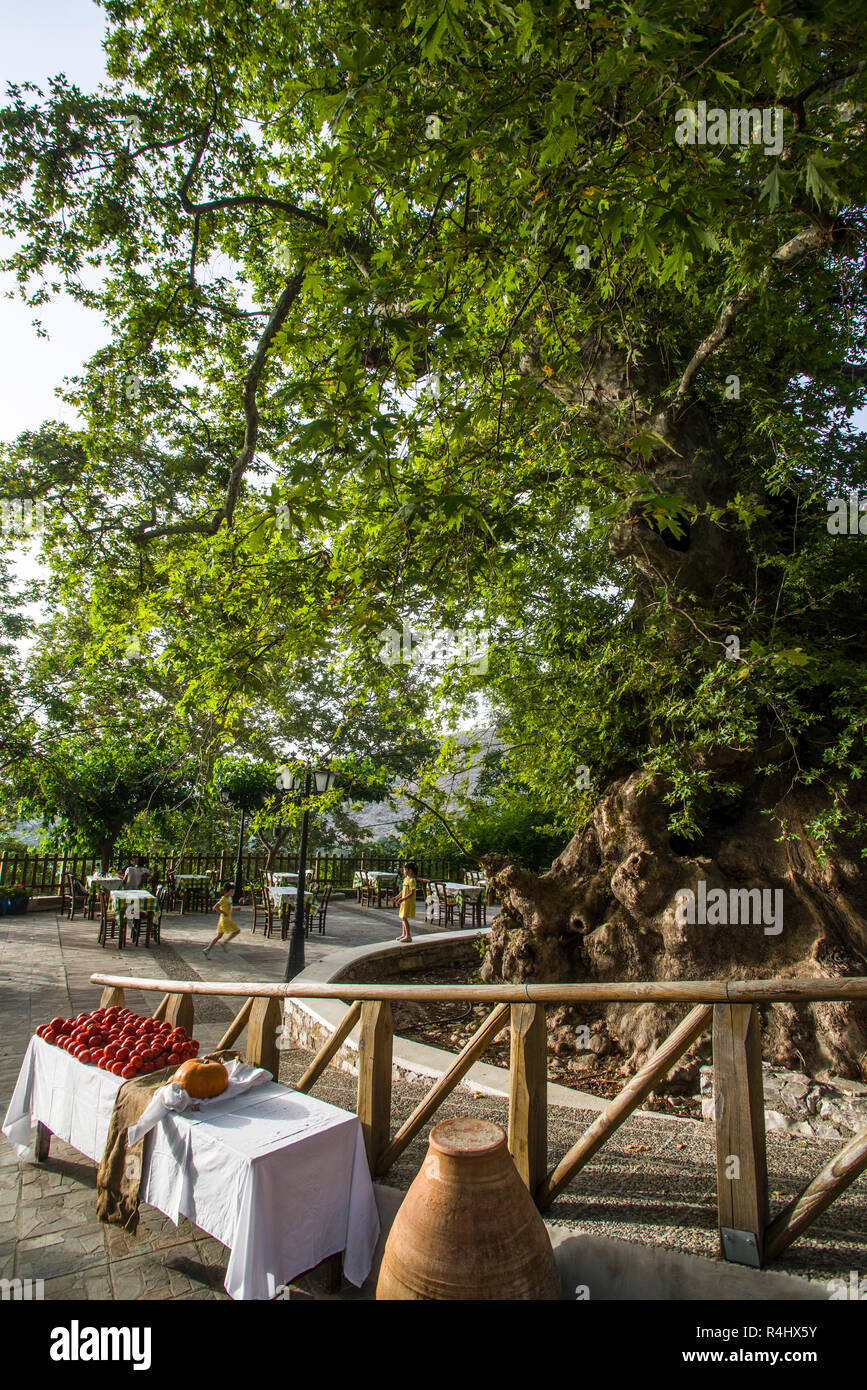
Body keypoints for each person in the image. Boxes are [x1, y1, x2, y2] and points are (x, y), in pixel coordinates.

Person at [203, 882, 241, 955]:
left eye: (233, 891)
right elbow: (215, 907)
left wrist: (235, 909)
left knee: (219, 936)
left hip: (223, 920)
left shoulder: (229, 898)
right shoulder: (223, 899)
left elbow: (229, 908)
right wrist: (223, 912)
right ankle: (225, 942)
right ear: (228, 891)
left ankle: (207, 949)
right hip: (225, 920)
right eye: (232, 891)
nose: (233, 892)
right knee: (237, 930)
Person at [392, 860, 418, 944]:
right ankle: (404, 934)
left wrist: (403, 899)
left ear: (409, 870)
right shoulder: (406, 879)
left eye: (404, 869)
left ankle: (408, 935)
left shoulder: (412, 880)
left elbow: (412, 892)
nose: (403, 871)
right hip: (404, 901)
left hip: (408, 902)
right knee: (402, 917)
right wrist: (397, 897)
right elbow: (403, 891)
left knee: (404, 918)